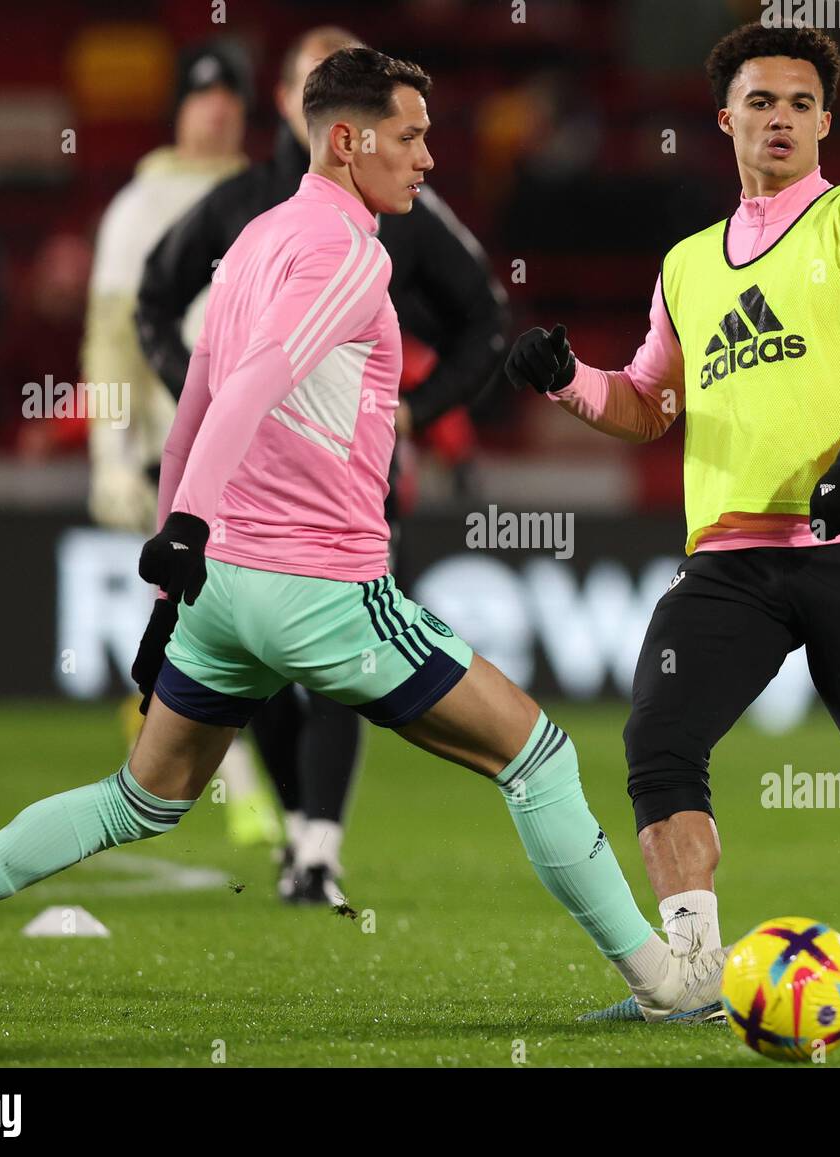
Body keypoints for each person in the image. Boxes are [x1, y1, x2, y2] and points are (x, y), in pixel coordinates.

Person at [0, 48, 721, 1026]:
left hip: (223, 586)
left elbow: (190, 399)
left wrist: (170, 579)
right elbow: (248, 383)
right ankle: (666, 985)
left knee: (135, 799)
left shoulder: (253, 242)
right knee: (538, 755)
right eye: (409, 137)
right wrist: (182, 529)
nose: (429, 158)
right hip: (315, 585)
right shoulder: (355, 255)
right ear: (349, 140)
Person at [506, 22, 840, 1020]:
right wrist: (569, 381)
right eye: (761, 101)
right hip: (728, 559)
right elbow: (649, 403)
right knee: (658, 741)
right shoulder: (686, 264)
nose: (780, 119)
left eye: (801, 104)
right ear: (723, 117)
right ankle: (690, 972)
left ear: (824, 123)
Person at [136, 26, 509, 905]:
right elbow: (158, 299)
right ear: (304, 107)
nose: (419, 155)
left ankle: (316, 841)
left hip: (345, 490)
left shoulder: (395, 216)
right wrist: (201, 386)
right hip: (233, 490)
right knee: (259, 670)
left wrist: (416, 409)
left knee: (336, 659)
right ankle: (306, 830)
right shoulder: (242, 207)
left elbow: (485, 320)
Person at [81, 41, 276, 846]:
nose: (218, 108)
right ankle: (243, 783)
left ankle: (194, 763)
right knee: (209, 604)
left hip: (264, 440)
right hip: (184, 444)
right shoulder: (141, 205)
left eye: (231, 94)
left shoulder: (268, 194)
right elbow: (110, 338)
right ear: (179, 109)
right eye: (203, 95)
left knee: (218, 613)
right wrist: (109, 452)